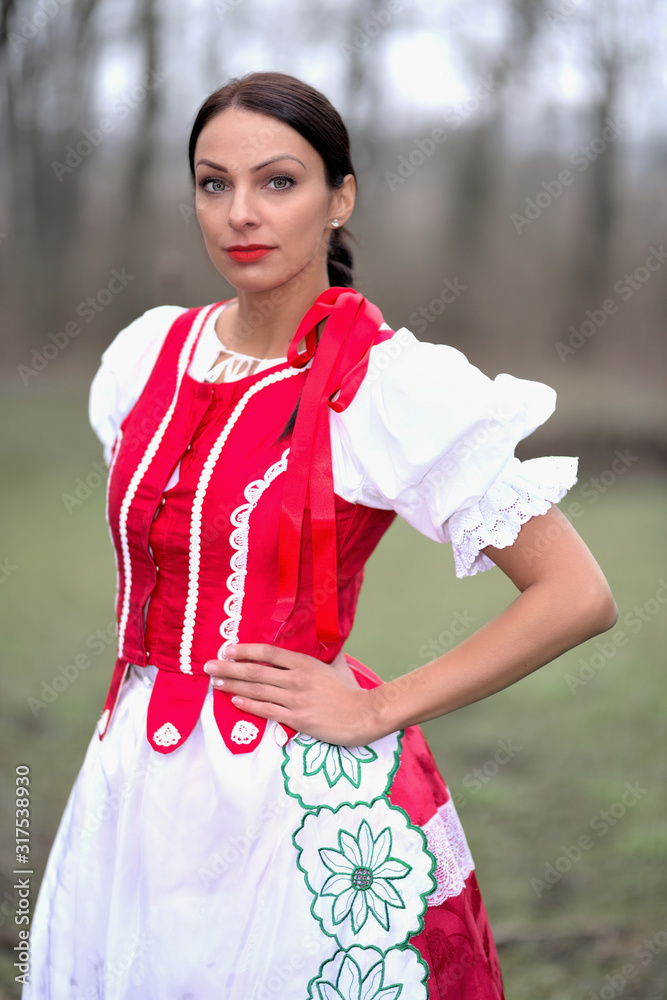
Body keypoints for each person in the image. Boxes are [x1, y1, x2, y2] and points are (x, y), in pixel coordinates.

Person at [24, 71, 617, 1000]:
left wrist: (381, 708)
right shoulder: (148, 355)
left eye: (279, 181)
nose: (240, 214)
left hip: (282, 796)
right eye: (213, 183)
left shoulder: (386, 387)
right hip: (131, 772)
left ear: (340, 197)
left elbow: (577, 595)